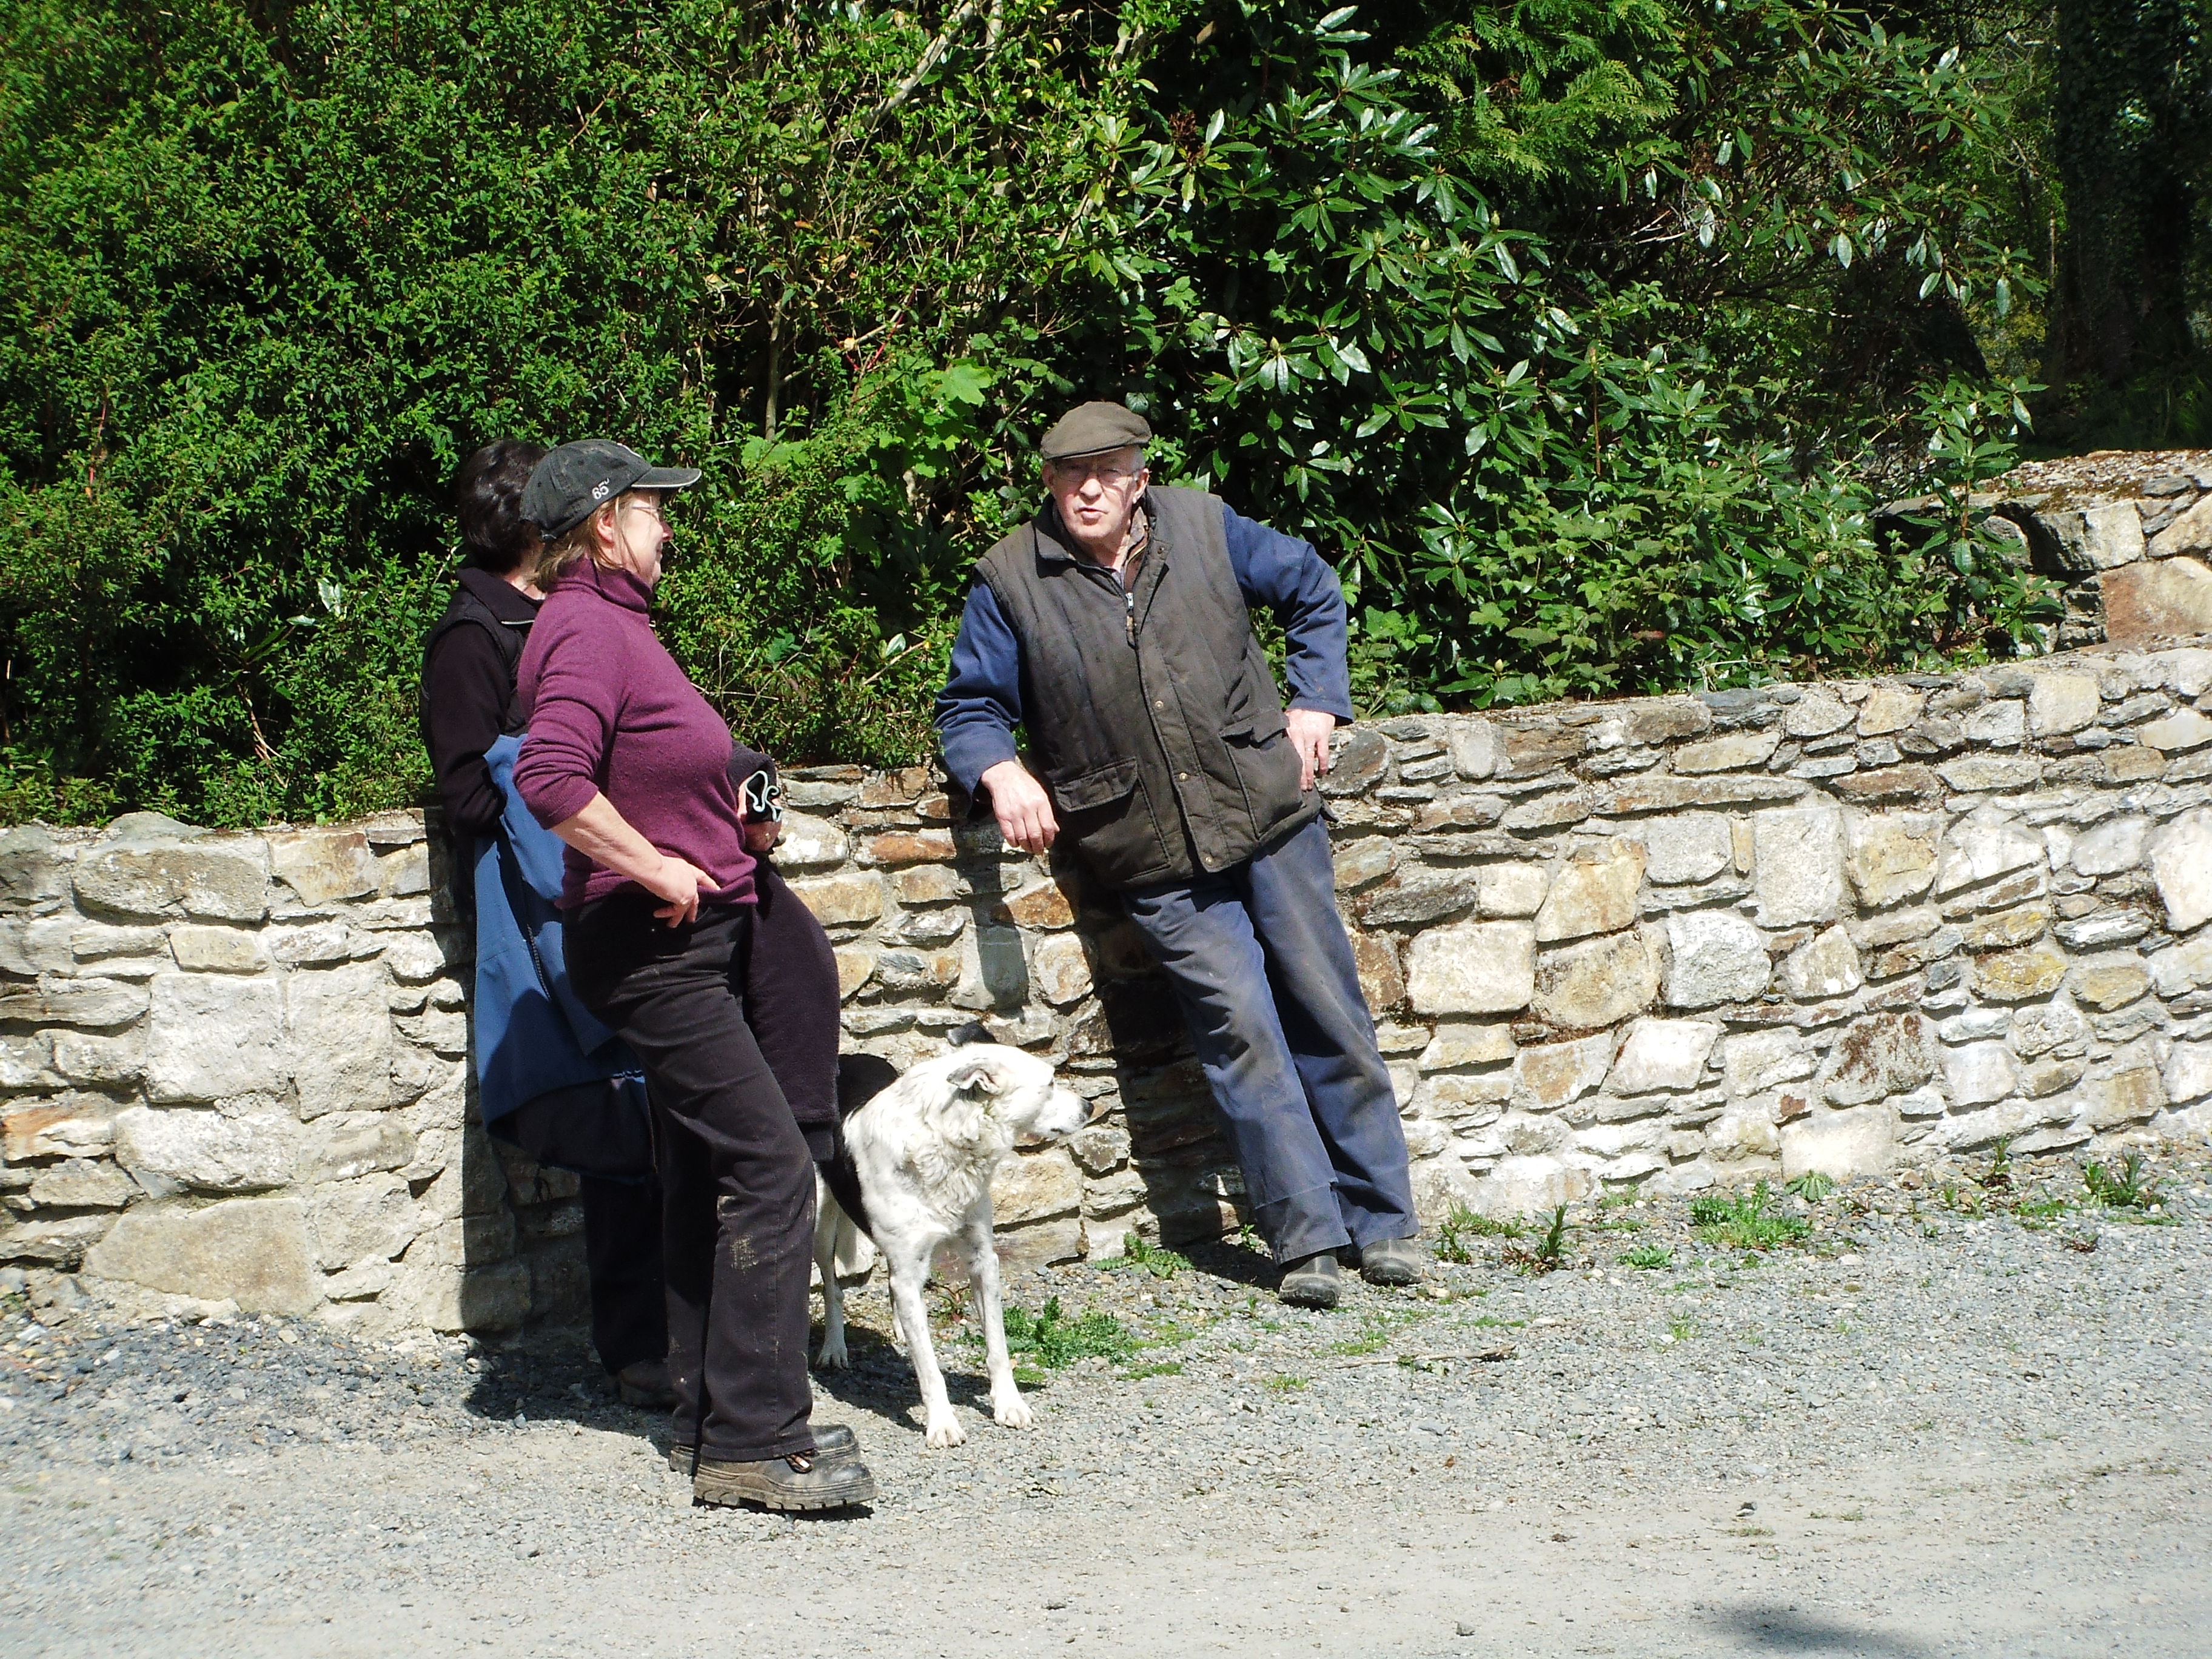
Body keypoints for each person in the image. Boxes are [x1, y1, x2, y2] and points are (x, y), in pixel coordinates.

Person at [934, 401, 1419, 1309]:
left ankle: (1384, 1219)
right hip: (1147, 849)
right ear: (1048, 482)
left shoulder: (1204, 525)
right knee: (1239, 1032)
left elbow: (1312, 586)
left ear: (1139, 479)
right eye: (1069, 474)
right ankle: (1307, 1240)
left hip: (1268, 813)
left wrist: (1316, 699)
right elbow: (968, 707)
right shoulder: (1010, 579)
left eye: (1107, 472)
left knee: (1327, 1008)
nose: (1088, 489)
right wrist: (999, 770)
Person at [512, 439, 874, 1510]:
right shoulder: (586, 626)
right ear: (605, 522)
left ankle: (710, 1421)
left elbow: (661, 766)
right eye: (652, 509)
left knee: (709, 1171)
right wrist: (655, 864)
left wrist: (737, 818)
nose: (668, 527)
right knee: (771, 1167)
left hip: (688, 942)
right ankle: (756, 1440)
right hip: (652, 945)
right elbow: (550, 777)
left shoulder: (621, 627)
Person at [420, 439, 670, 1409]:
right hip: (542, 908)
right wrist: (567, 827)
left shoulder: (576, 610)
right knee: (616, 1117)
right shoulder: (471, 634)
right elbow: (469, 791)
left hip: (608, 877)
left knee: (655, 1107)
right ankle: (638, 1349)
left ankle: (684, 1332)